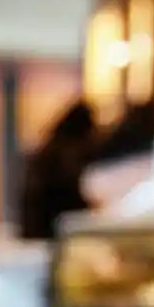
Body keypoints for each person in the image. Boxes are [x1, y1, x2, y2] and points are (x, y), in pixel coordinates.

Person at [19, 102, 97, 240]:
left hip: (37, 230)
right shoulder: (65, 154)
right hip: (49, 233)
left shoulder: (52, 148)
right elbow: (68, 199)